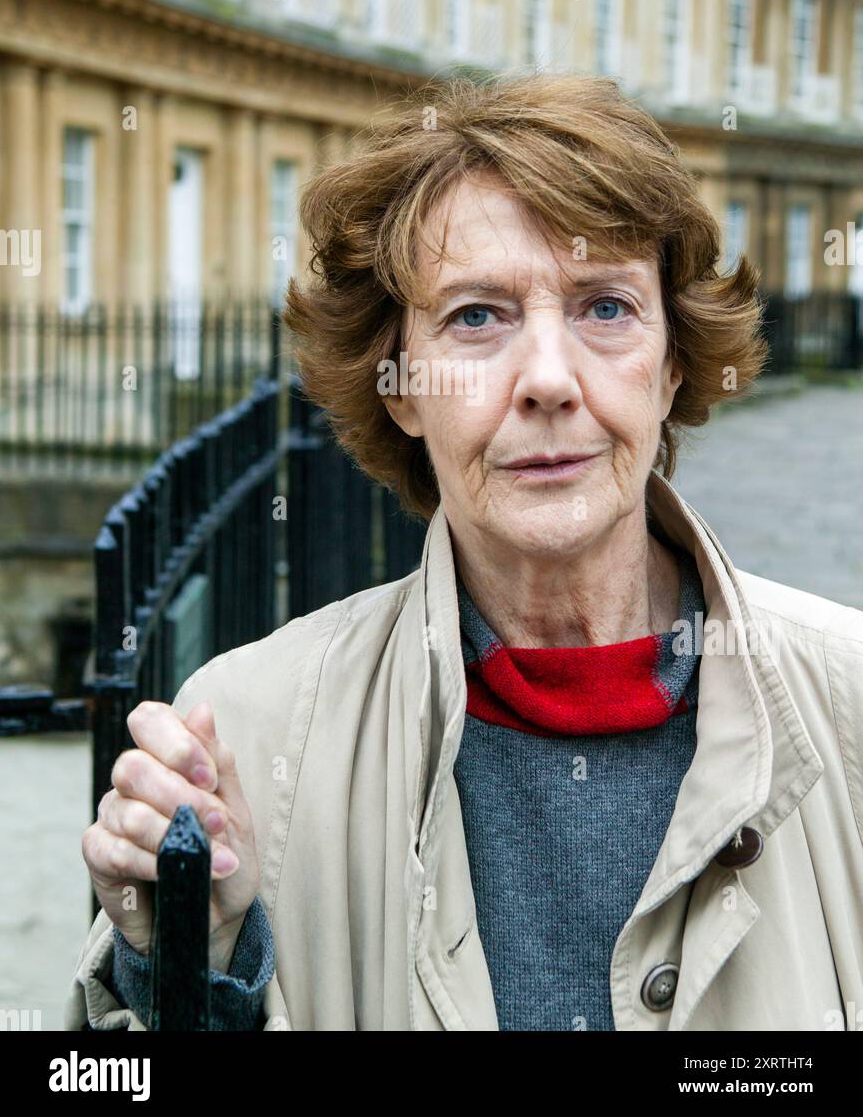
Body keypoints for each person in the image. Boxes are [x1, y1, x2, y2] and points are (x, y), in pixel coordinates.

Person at [65, 73, 863, 1031]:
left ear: (673, 363)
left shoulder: (847, 705)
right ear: (399, 384)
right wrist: (191, 969)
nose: (550, 380)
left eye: (605, 308)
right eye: (476, 317)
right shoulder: (246, 737)